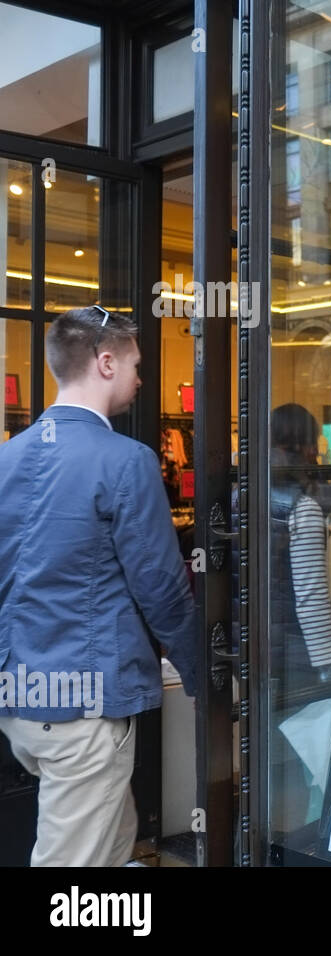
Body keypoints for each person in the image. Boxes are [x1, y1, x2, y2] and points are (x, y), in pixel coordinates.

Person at [0, 305, 199, 866]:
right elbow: (160, 585)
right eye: (135, 364)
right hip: (82, 704)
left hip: (21, 695)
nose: (140, 378)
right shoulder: (126, 461)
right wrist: (199, 670)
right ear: (105, 362)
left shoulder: (6, 459)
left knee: (113, 840)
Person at [268, 403, 331, 837]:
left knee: (274, 749)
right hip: (295, 649)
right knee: (314, 755)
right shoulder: (303, 507)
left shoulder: (246, 492)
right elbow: (310, 595)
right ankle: (306, 841)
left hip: (260, 641)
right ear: (306, 444)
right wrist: (328, 666)